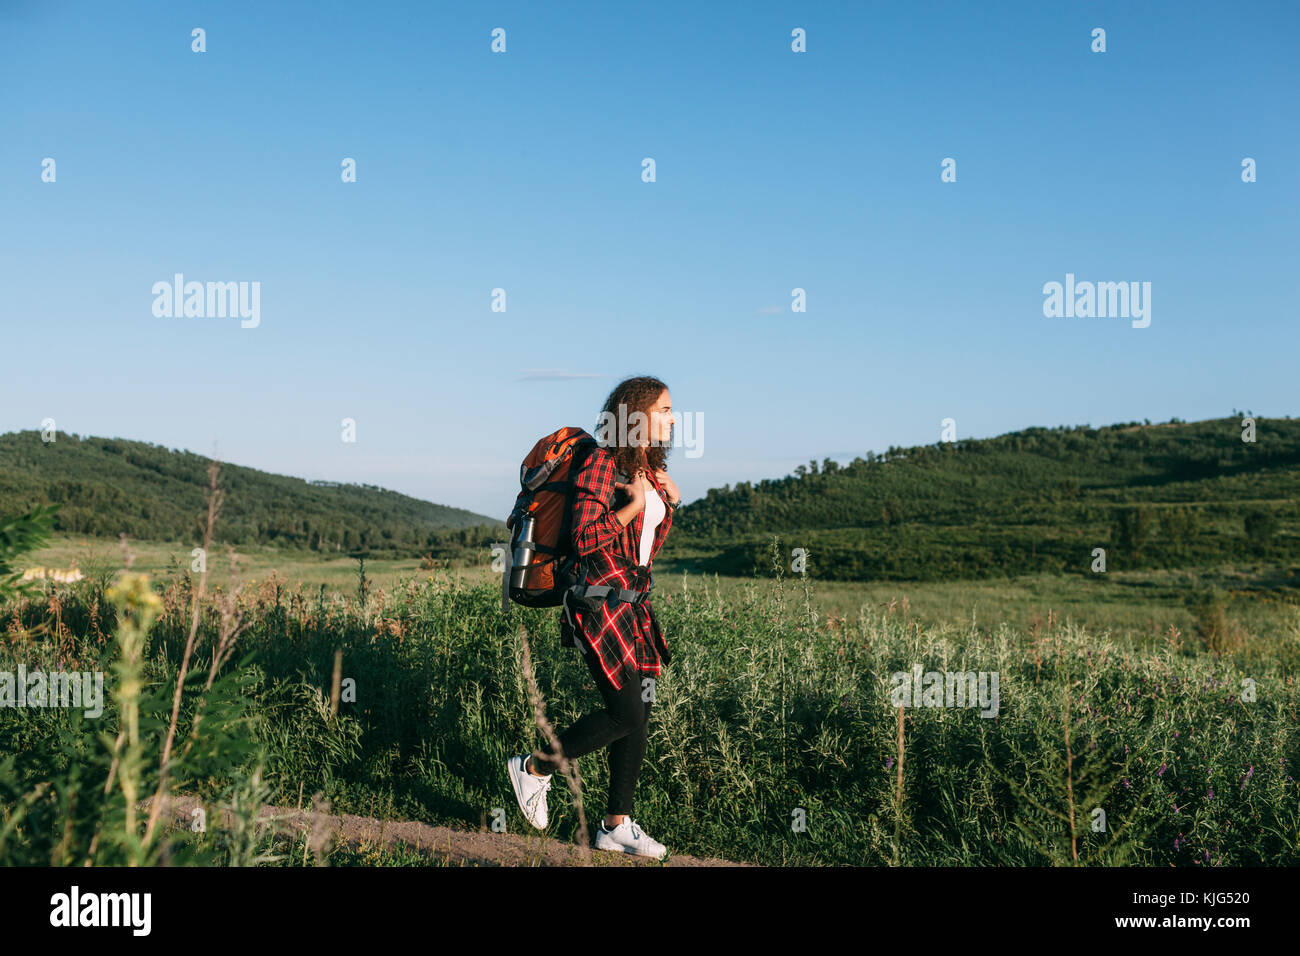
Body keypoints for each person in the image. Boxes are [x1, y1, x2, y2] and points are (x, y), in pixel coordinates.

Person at [506, 376, 682, 860]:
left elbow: (642, 551)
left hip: (633, 603)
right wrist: (633, 508)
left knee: (638, 712)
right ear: (637, 415)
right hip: (598, 600)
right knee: (625, 711)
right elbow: (585, 538)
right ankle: (534, 768)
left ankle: (615, 826)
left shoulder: (646, 470)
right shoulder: (602, 463)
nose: (673, 418)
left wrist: (668, 502)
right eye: (665, 409)